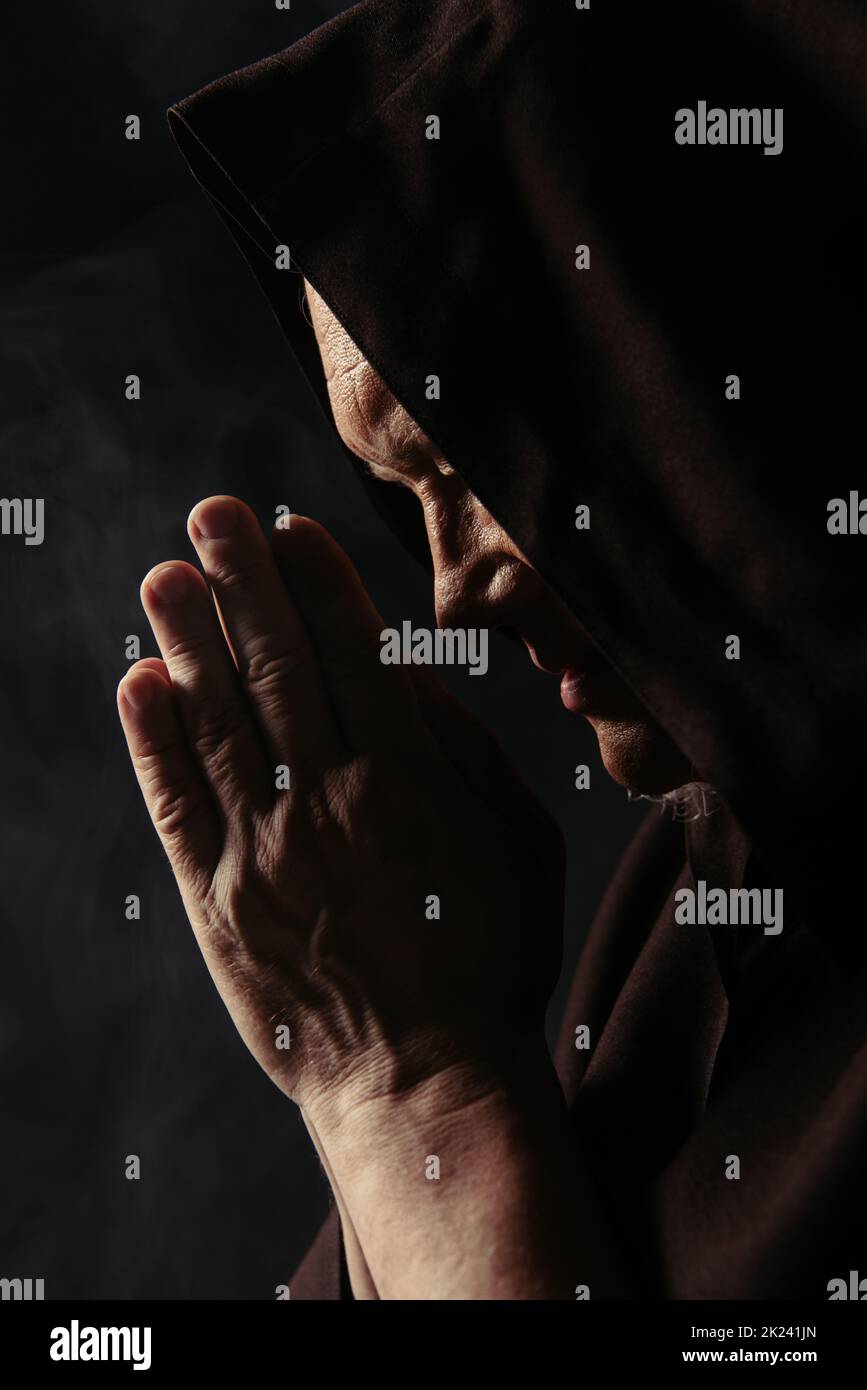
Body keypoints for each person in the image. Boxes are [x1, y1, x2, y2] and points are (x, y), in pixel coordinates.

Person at [118, 0, 867, 1298]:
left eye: (478, 469)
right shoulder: (689, 896)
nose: (452, 594)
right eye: (404, 497)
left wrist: (412, 1086)